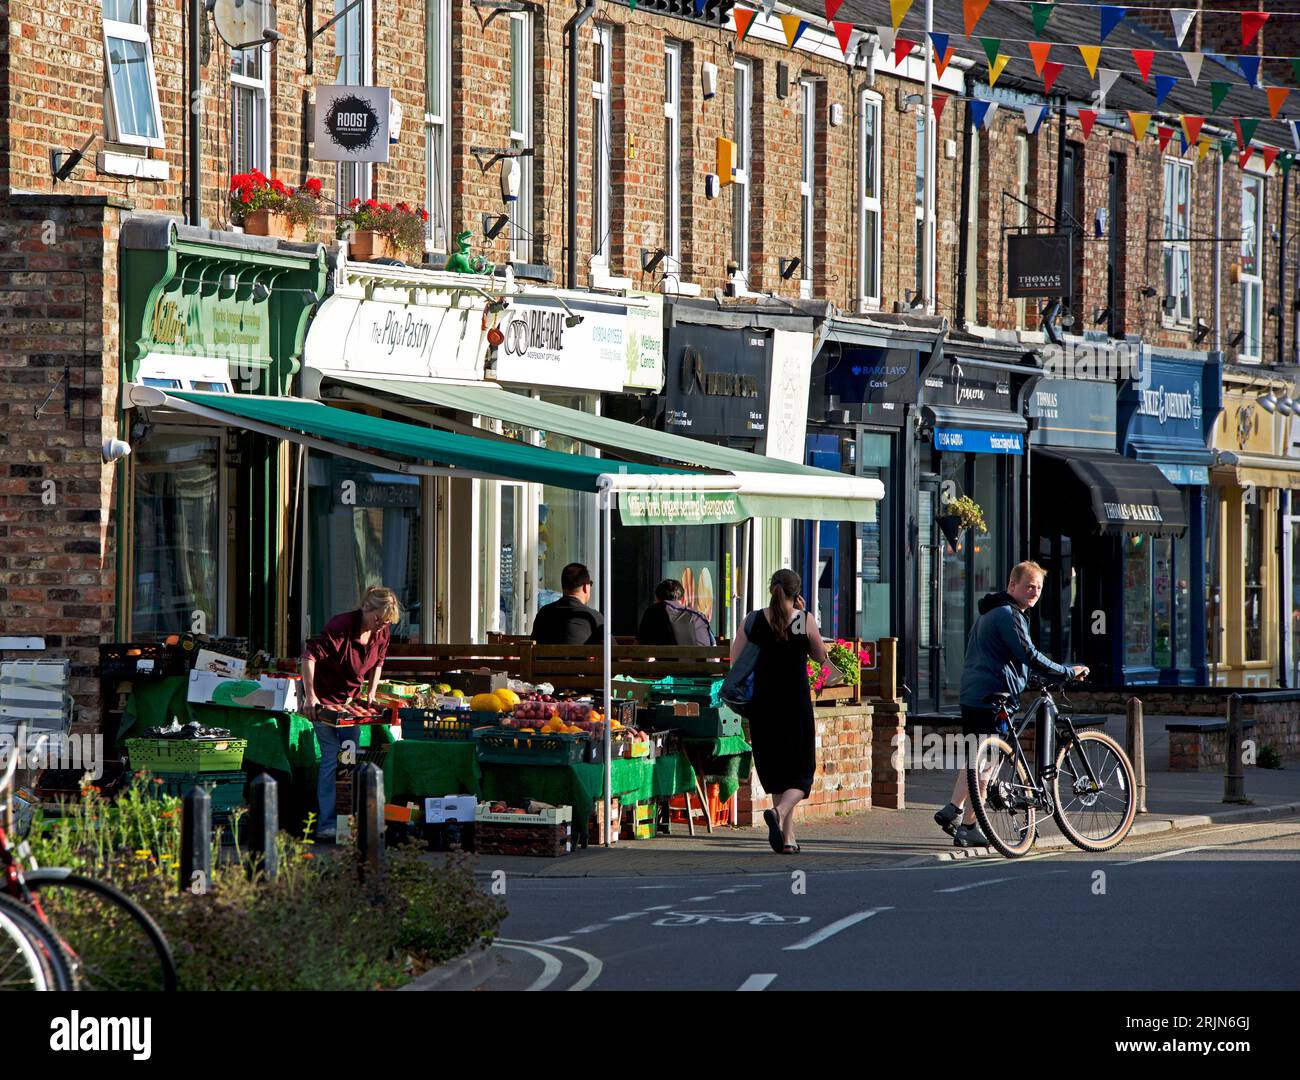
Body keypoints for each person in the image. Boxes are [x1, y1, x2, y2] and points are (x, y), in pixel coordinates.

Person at [936, 561, 1088, 848]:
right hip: (994, 698)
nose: (1034, 591)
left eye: (1039, 587)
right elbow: (1029, 654)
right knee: (987, 765)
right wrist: (1066, 671)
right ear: (1012, 586)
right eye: (1029, 585)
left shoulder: (992, 613)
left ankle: (953, 809)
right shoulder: (1009, 615)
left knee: (975, 758)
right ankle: (969, 826)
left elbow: (1009, 658)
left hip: (974, 695)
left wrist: (1028, 677)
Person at [731, 569, 826, 855]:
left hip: (763, 706)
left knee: (776, 773)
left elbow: (735, 660)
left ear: (772, 588)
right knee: (801, 775)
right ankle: (780, 810)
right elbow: (820, 656)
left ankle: (788, 838)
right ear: (797, 594)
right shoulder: (804, 620)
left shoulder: (754, 619)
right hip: (795, 705)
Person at [301, 586, 402, 840]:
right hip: (325, 701)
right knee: (330, 758)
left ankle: (347, 822)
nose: (380, 626)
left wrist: (371, 692)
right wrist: (311, 696)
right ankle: (325, 824)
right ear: (366, 607)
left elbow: (379, 661)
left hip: (350, 703)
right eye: (378, 619)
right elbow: (309, 656)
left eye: (386, 622)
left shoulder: (382, 632)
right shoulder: (341, 625)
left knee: (348, 760)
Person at [530, 562, 604, 645]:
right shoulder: (592, 617)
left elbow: (533, 646)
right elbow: (615, 652)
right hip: (579, 657)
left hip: (546, 657)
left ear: (563, 586)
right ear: (585, 587)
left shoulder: (543, 613)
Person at [636, 579, 715, 647]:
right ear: (683, 599)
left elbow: (640, 649)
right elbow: (713, 646)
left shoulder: (652, 612)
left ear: (657, 598)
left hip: (666, 664)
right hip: (701, 664)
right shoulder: (699, 616)